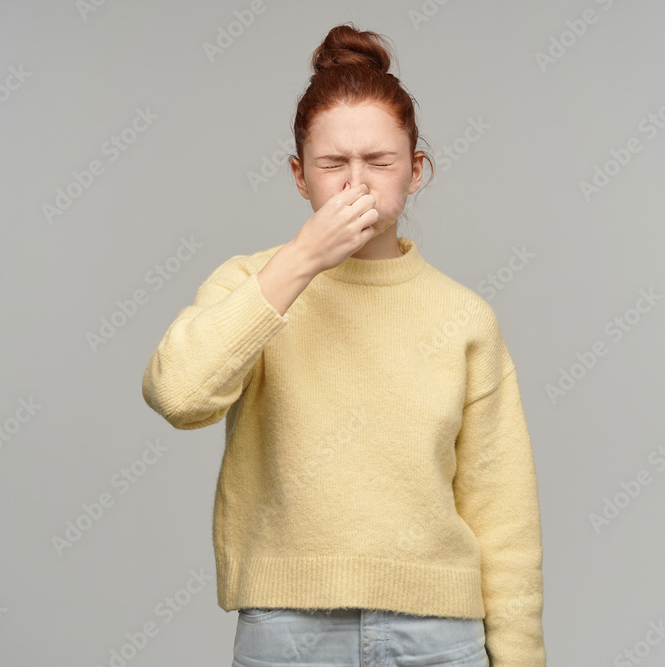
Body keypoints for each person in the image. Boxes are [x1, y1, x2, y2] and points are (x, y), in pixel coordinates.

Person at [141, 23, 545, 667]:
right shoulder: (251, 283)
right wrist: (301, 260)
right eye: (333, 165)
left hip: (439, 634)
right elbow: (178, 395)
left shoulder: (465, 317)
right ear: (300, 177)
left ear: (415, 172)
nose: (356, 184)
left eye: (379, 162)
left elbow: (505, 514)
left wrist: (522, 657)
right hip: (287, 631)